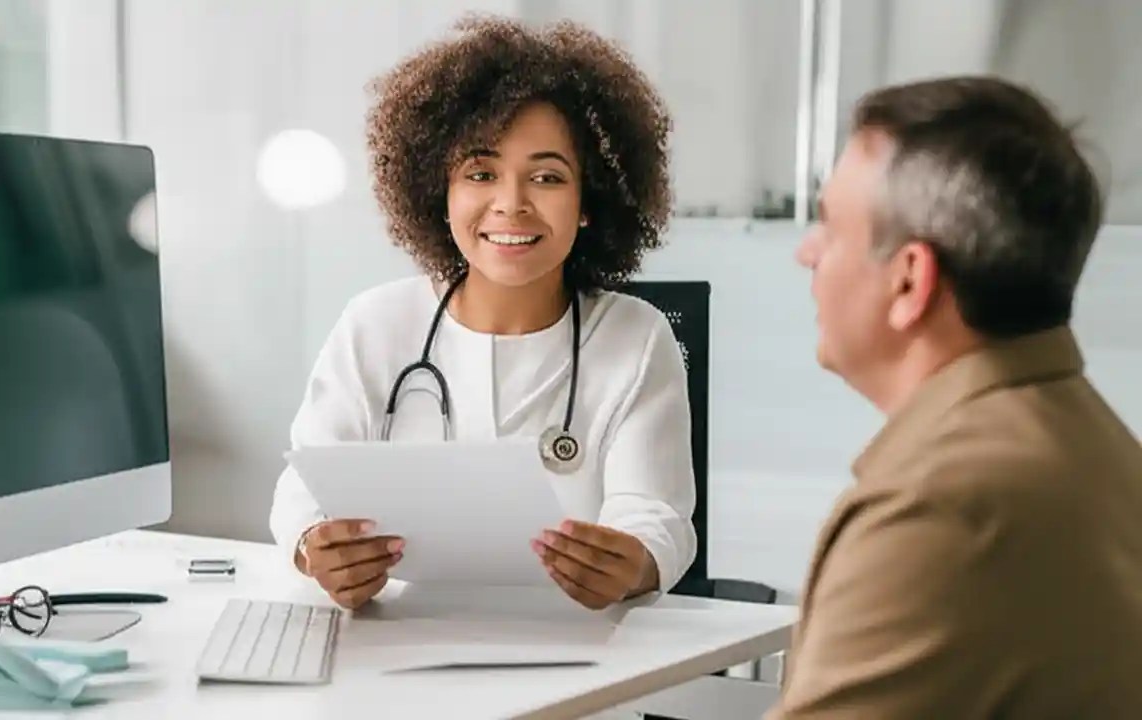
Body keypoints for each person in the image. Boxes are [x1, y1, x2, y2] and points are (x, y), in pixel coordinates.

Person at [268, 16, 696, 612]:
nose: (511, 203)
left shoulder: (635, 336)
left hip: (580, 662)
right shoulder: (376, 323)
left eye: (547, 177)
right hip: (397, 650)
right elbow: (302, 487)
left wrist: (632, 564)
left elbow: (657, 516)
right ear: (440, 194)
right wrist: (316, 546)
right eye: (481, 173)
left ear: (588, 204)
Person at [771, 76, 1142, 718]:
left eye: (829, 229)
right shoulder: (1095, 446)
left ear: (910, 279)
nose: (807, 254)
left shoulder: (940, 505)